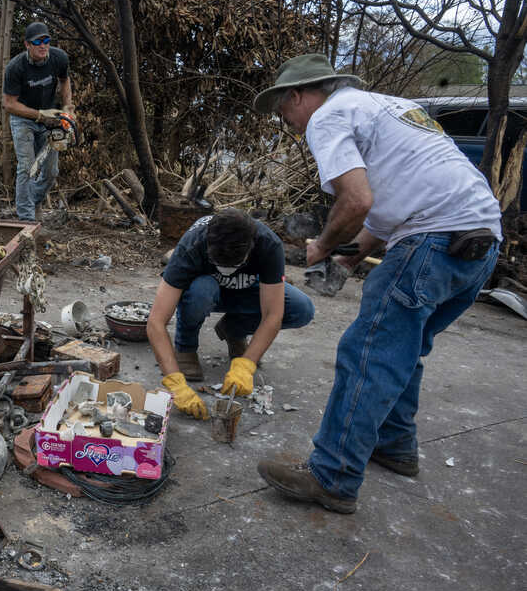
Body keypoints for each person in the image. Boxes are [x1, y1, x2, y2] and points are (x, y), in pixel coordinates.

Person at [252, 54, 502, 514]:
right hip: (481, 242)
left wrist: (323, 246)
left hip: (431, 239)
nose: (290, 125)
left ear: (298, 95)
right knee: (405, 348)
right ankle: (395, 444)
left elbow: (356, 201)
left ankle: (333, 475)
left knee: (367, 355)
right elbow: (390, 206)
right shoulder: (390, 107)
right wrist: (351, 254)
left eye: (285, 114)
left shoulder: (327, 116)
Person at [145, 209, 315, 420]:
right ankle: (186, 346)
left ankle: (235, 328)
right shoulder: (192, 244)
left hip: (248, 289)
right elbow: (156, 321)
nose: (226, 269)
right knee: (200, 292)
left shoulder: (268, 244)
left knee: (301, 308)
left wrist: (247, 364)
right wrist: (174, 382)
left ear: (251, 248)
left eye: (234, 264)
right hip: (205, 292)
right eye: (218, 262)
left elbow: (273, 314)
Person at [2, 21, 73, 221]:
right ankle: (26, 219)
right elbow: (8, 104)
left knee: (51, 171)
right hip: (22, 119)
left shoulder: (59, 58)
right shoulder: (15, 67)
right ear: (27, 44)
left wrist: (68, 107)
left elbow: (65, 80)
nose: (43, 45)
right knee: (27, 167)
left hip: (51, 119)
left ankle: (33, 200)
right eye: (37, 42)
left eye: (46, 40)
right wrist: (40, 115)